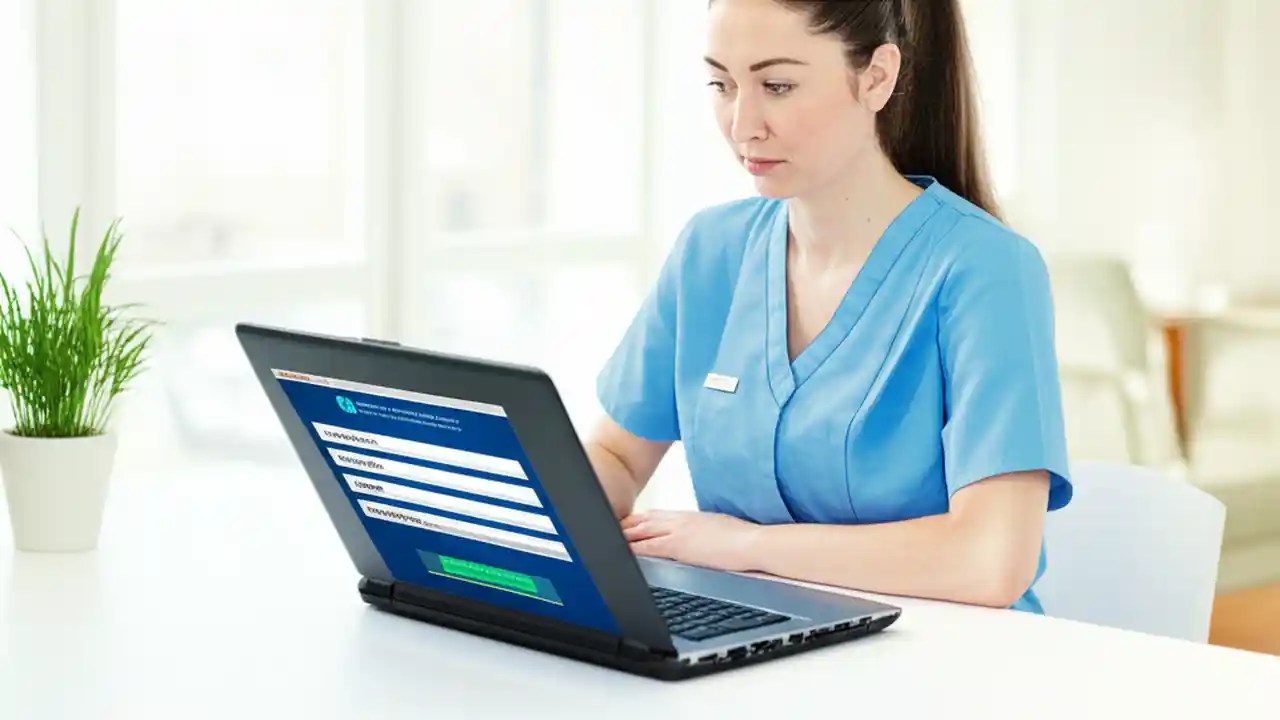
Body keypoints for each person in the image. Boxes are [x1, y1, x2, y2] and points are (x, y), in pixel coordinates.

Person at [584, 0, 1072, 613]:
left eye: (777, 86)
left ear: (876, 78)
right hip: (756, 634)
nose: (742, 125)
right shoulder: (710, 251)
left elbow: (990, 561)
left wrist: (746, 547)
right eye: (722, 85)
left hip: (950, 654)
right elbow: (617, 456)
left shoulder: (985, 268)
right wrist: (531, 518)